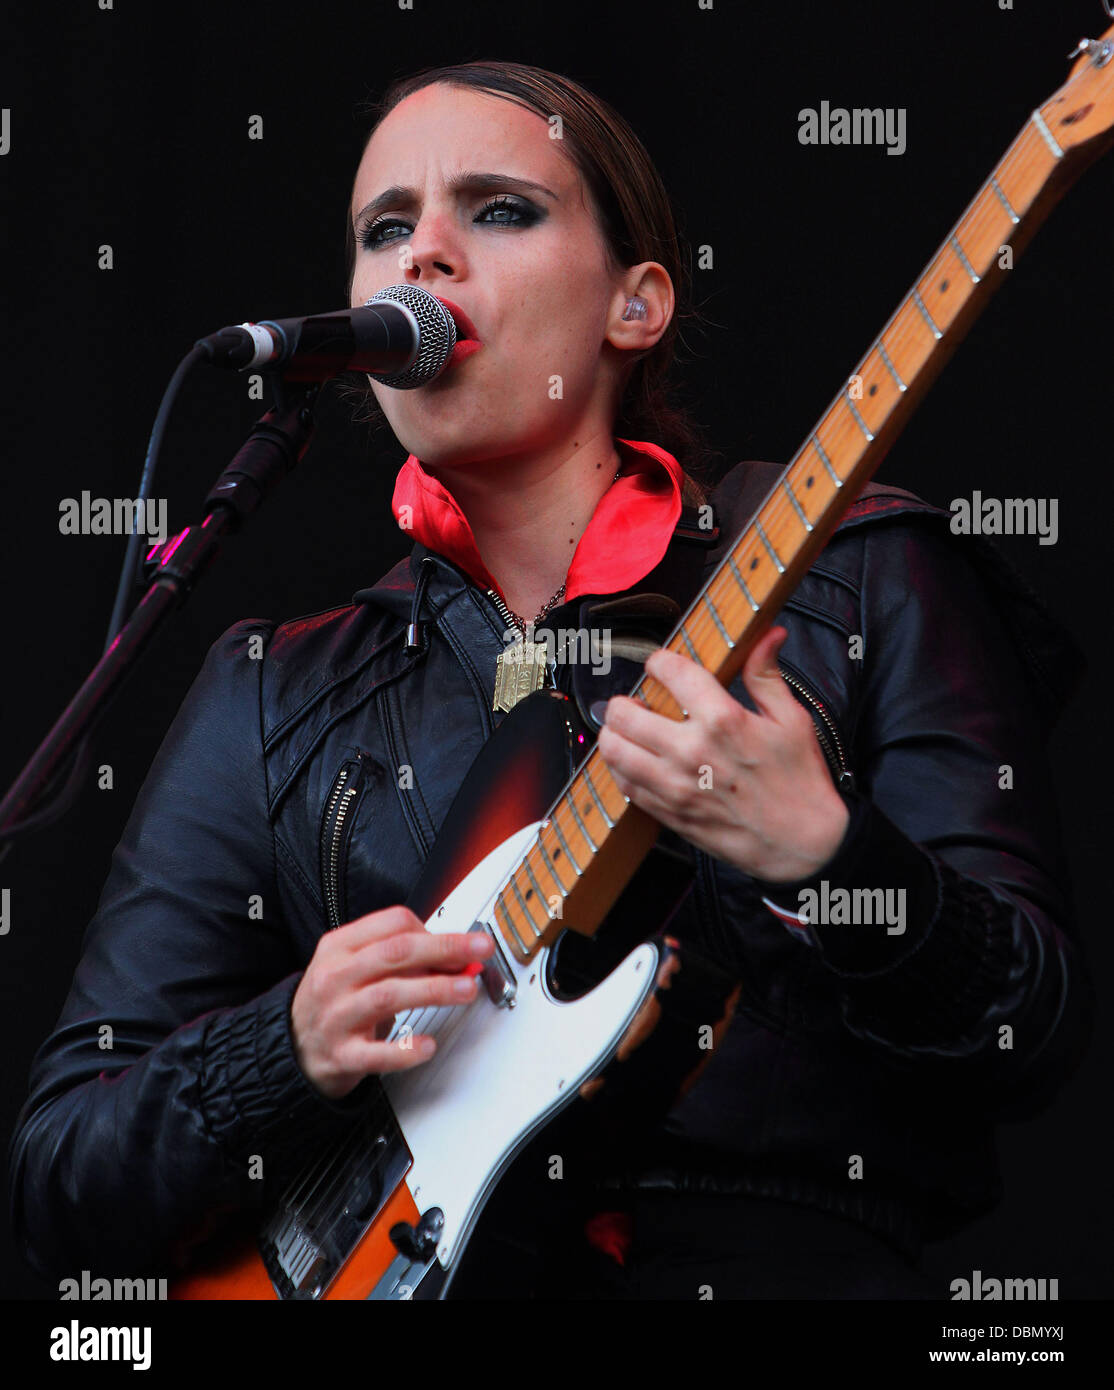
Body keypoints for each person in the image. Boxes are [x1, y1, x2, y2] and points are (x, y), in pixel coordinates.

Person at [8, 60, 1091, 1301]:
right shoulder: (274, 684)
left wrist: (829, 862)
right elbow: (59, 1181)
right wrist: (282, 1049)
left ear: (635, 306)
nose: (423, 257)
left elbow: (1032, 1030)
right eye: (384, 229)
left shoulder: (849, 569)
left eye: (499, 209)